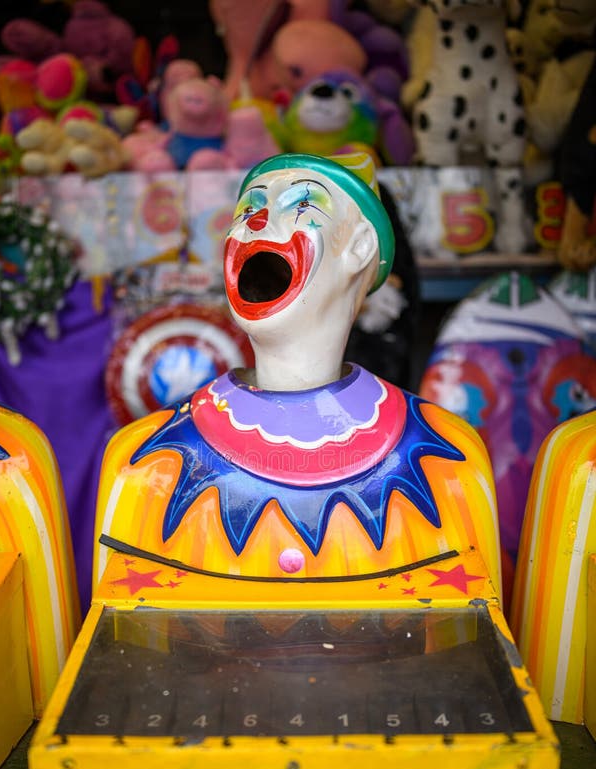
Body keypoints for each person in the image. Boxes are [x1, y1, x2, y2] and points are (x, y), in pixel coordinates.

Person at [93, 152, 501, 599]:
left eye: (301, 205)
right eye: (247, 208)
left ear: (360, 247)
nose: (256, 221)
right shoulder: (144, 463)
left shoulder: (446, 460)